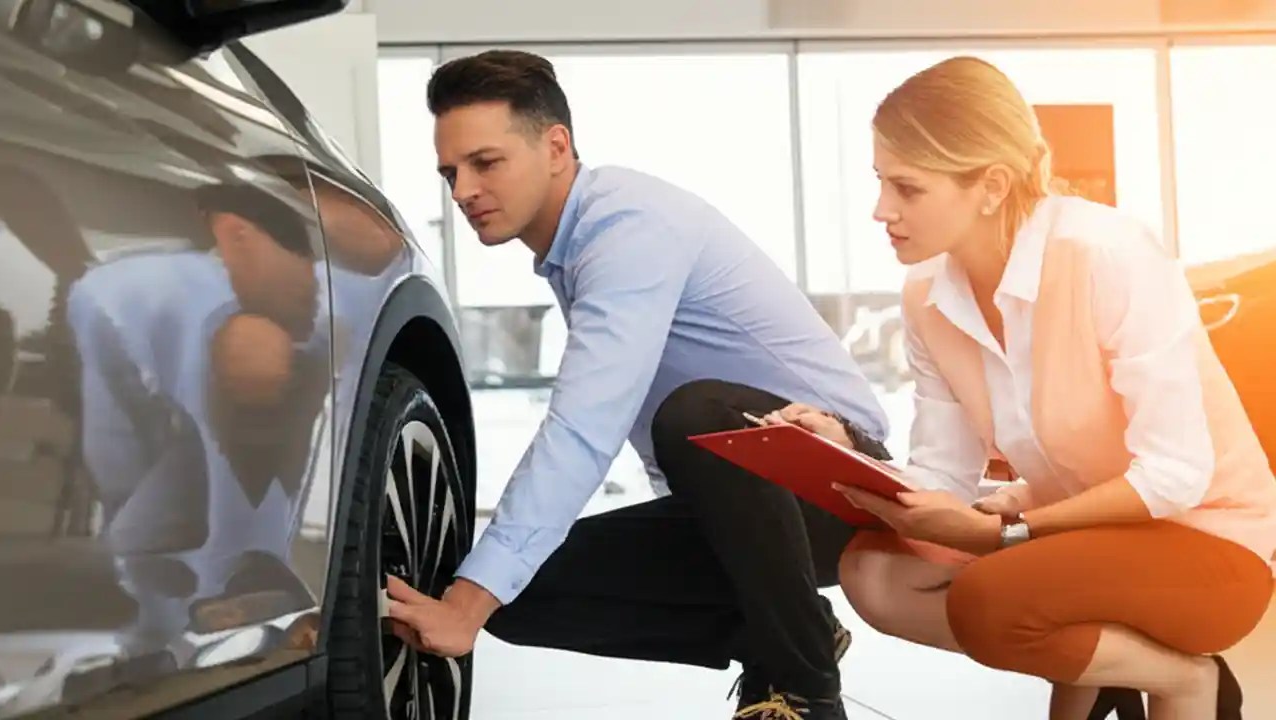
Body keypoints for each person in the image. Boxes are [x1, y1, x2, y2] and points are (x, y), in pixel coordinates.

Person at [382, 49, 890, 719]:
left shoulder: (628, 228)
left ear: (556, 146)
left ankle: (805, 689)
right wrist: (481, 592)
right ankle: (788, 632)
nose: (462, 191)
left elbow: (584, 427)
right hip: (736, 506)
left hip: (835, 482)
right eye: (451, 172)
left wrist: (467, 606)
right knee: (519, 589)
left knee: (696, 412)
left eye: (486, 162)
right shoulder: (573, 249)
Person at [791, 55, 1275, 720]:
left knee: (993, 600)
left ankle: (1186, 680)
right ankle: (1106, 662)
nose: (881, 210)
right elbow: (944, 475)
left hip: (1204, 539)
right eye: (880, 183)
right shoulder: (928, 295)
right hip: (1072, 541)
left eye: (908, 188)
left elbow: (1176, 475)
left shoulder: (1104, 254)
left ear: (990, 185)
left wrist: (1011, 533)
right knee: (873, 574)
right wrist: (847, 454)